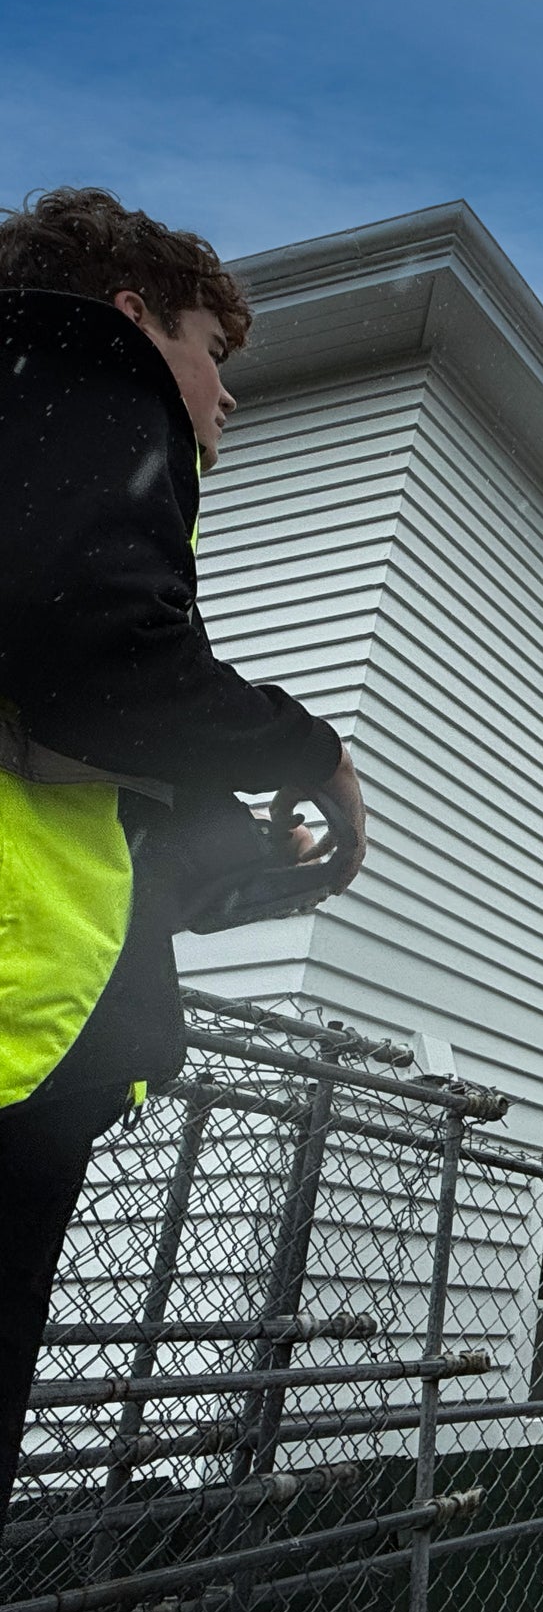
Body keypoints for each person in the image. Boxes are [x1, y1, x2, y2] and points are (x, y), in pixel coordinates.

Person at [0, 187, 366, 1521]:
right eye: (213, 351)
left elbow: (56, 725)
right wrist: (313, 757)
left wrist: (197, 846)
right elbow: (96, 660)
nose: (224, 397)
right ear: (132, 312)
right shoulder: (73, 370)